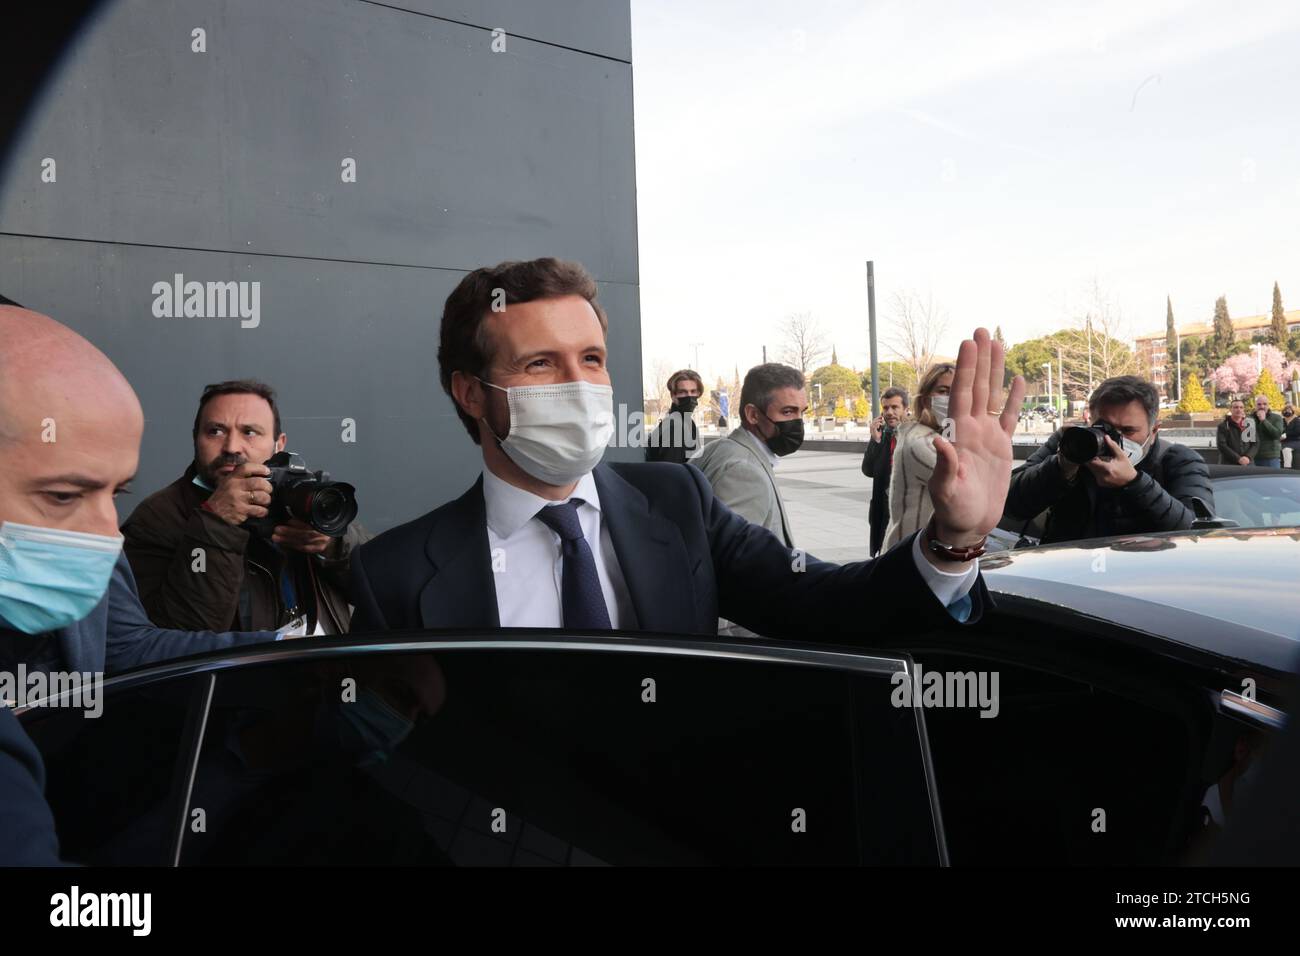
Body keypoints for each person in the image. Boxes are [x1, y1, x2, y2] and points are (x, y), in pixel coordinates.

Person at [350, 258, 1027, 641]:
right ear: (470, 394)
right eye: (540, 365)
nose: (581, 384)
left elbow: (823, 603)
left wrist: (953, 541)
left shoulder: (677, 504)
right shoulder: (394, 576)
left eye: (591, 358)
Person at [0, 305, 276, 864]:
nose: (107, 531)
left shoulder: (79, 543)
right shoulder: (166, 517)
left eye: (117, 493)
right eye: (61, 496)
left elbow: (128, 649)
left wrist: (290, 657)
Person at [122, 380, 366, 634]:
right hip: (238, 672)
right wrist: (216, 522)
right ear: (195, 439)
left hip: (326, 668)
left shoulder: (307, 498)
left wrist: (333, 545)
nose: (231, 447)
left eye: (249, 432)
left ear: (279, 444)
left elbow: (382, 585)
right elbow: (174, 638)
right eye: (215, 431)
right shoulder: (157, 517)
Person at [1005, 375, 1213, 544]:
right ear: (1090, 420)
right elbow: (1011, 505)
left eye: (1128, 431)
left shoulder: (1179, 460)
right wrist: (1063, 467)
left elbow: (1199, 534)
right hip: (1070, 579)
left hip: (1143, 583)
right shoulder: (1070, 444)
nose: (1114, 438)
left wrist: (1135, 483)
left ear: (1154, 430)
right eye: (1105, 427)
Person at [694, 363, 805, 548]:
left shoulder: (719, 448)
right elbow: (733, 559)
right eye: (787, 412)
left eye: (802, 412)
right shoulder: (743, 471)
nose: (798, 422)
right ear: (753, 414)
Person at [882, 364, 954, 551]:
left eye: (958, 391)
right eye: (944, 391)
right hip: (912, 562)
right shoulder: (920, 442)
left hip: (919, 555)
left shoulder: (935, 435)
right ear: (924, 400)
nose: (952, 399)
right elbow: (965, 492)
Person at [861, 386, 908, 557]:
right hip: (885, 512)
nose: (889, 412)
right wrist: (875, 441)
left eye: (895, 407)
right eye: (886, 408)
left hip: (908, 511)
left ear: (906, 409)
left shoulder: (915, 436)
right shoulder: (884, 437)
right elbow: (867, 470)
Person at [645, 369, 702, 464]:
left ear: (698, 394)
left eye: (693, 391)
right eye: (683, 392)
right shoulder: (676, 427)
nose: (689, 396)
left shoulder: (684, 421)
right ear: (673, 395)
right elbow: (672, 473)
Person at [1216, 399, 1257, 466]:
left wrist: (1248, 457)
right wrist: (1238, 459)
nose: (1239, 409)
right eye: (1236, 407)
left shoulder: (1249, 425)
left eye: (1241, 407)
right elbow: (1221, 445)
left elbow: (1255, 444)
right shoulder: (1223, 426)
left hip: (1248, 463)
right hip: (1229, 464)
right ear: (1231, 409)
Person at [1251, 393, 1285, 468]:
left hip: (1271, 457)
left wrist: (1264, 420)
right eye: (1259, 404)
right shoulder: (1250, 418)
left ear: (1268, 405)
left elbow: (1276, 435)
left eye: (1264, 404)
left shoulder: (1277, 418)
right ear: (1255, 405)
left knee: (1273, 479)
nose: (1262, 406)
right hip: (1253, 457)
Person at [1281, 405, 1300, 469]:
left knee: (1286, 450)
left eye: (1289, 410)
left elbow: (1297, 431)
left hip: (1295, 441)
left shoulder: (1296, 420)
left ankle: (1287, 467)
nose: (1287, 411)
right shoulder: (1282, 420)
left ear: (1293, 411)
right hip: (1284, 441)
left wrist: (1286, 435)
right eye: (1285, 410)